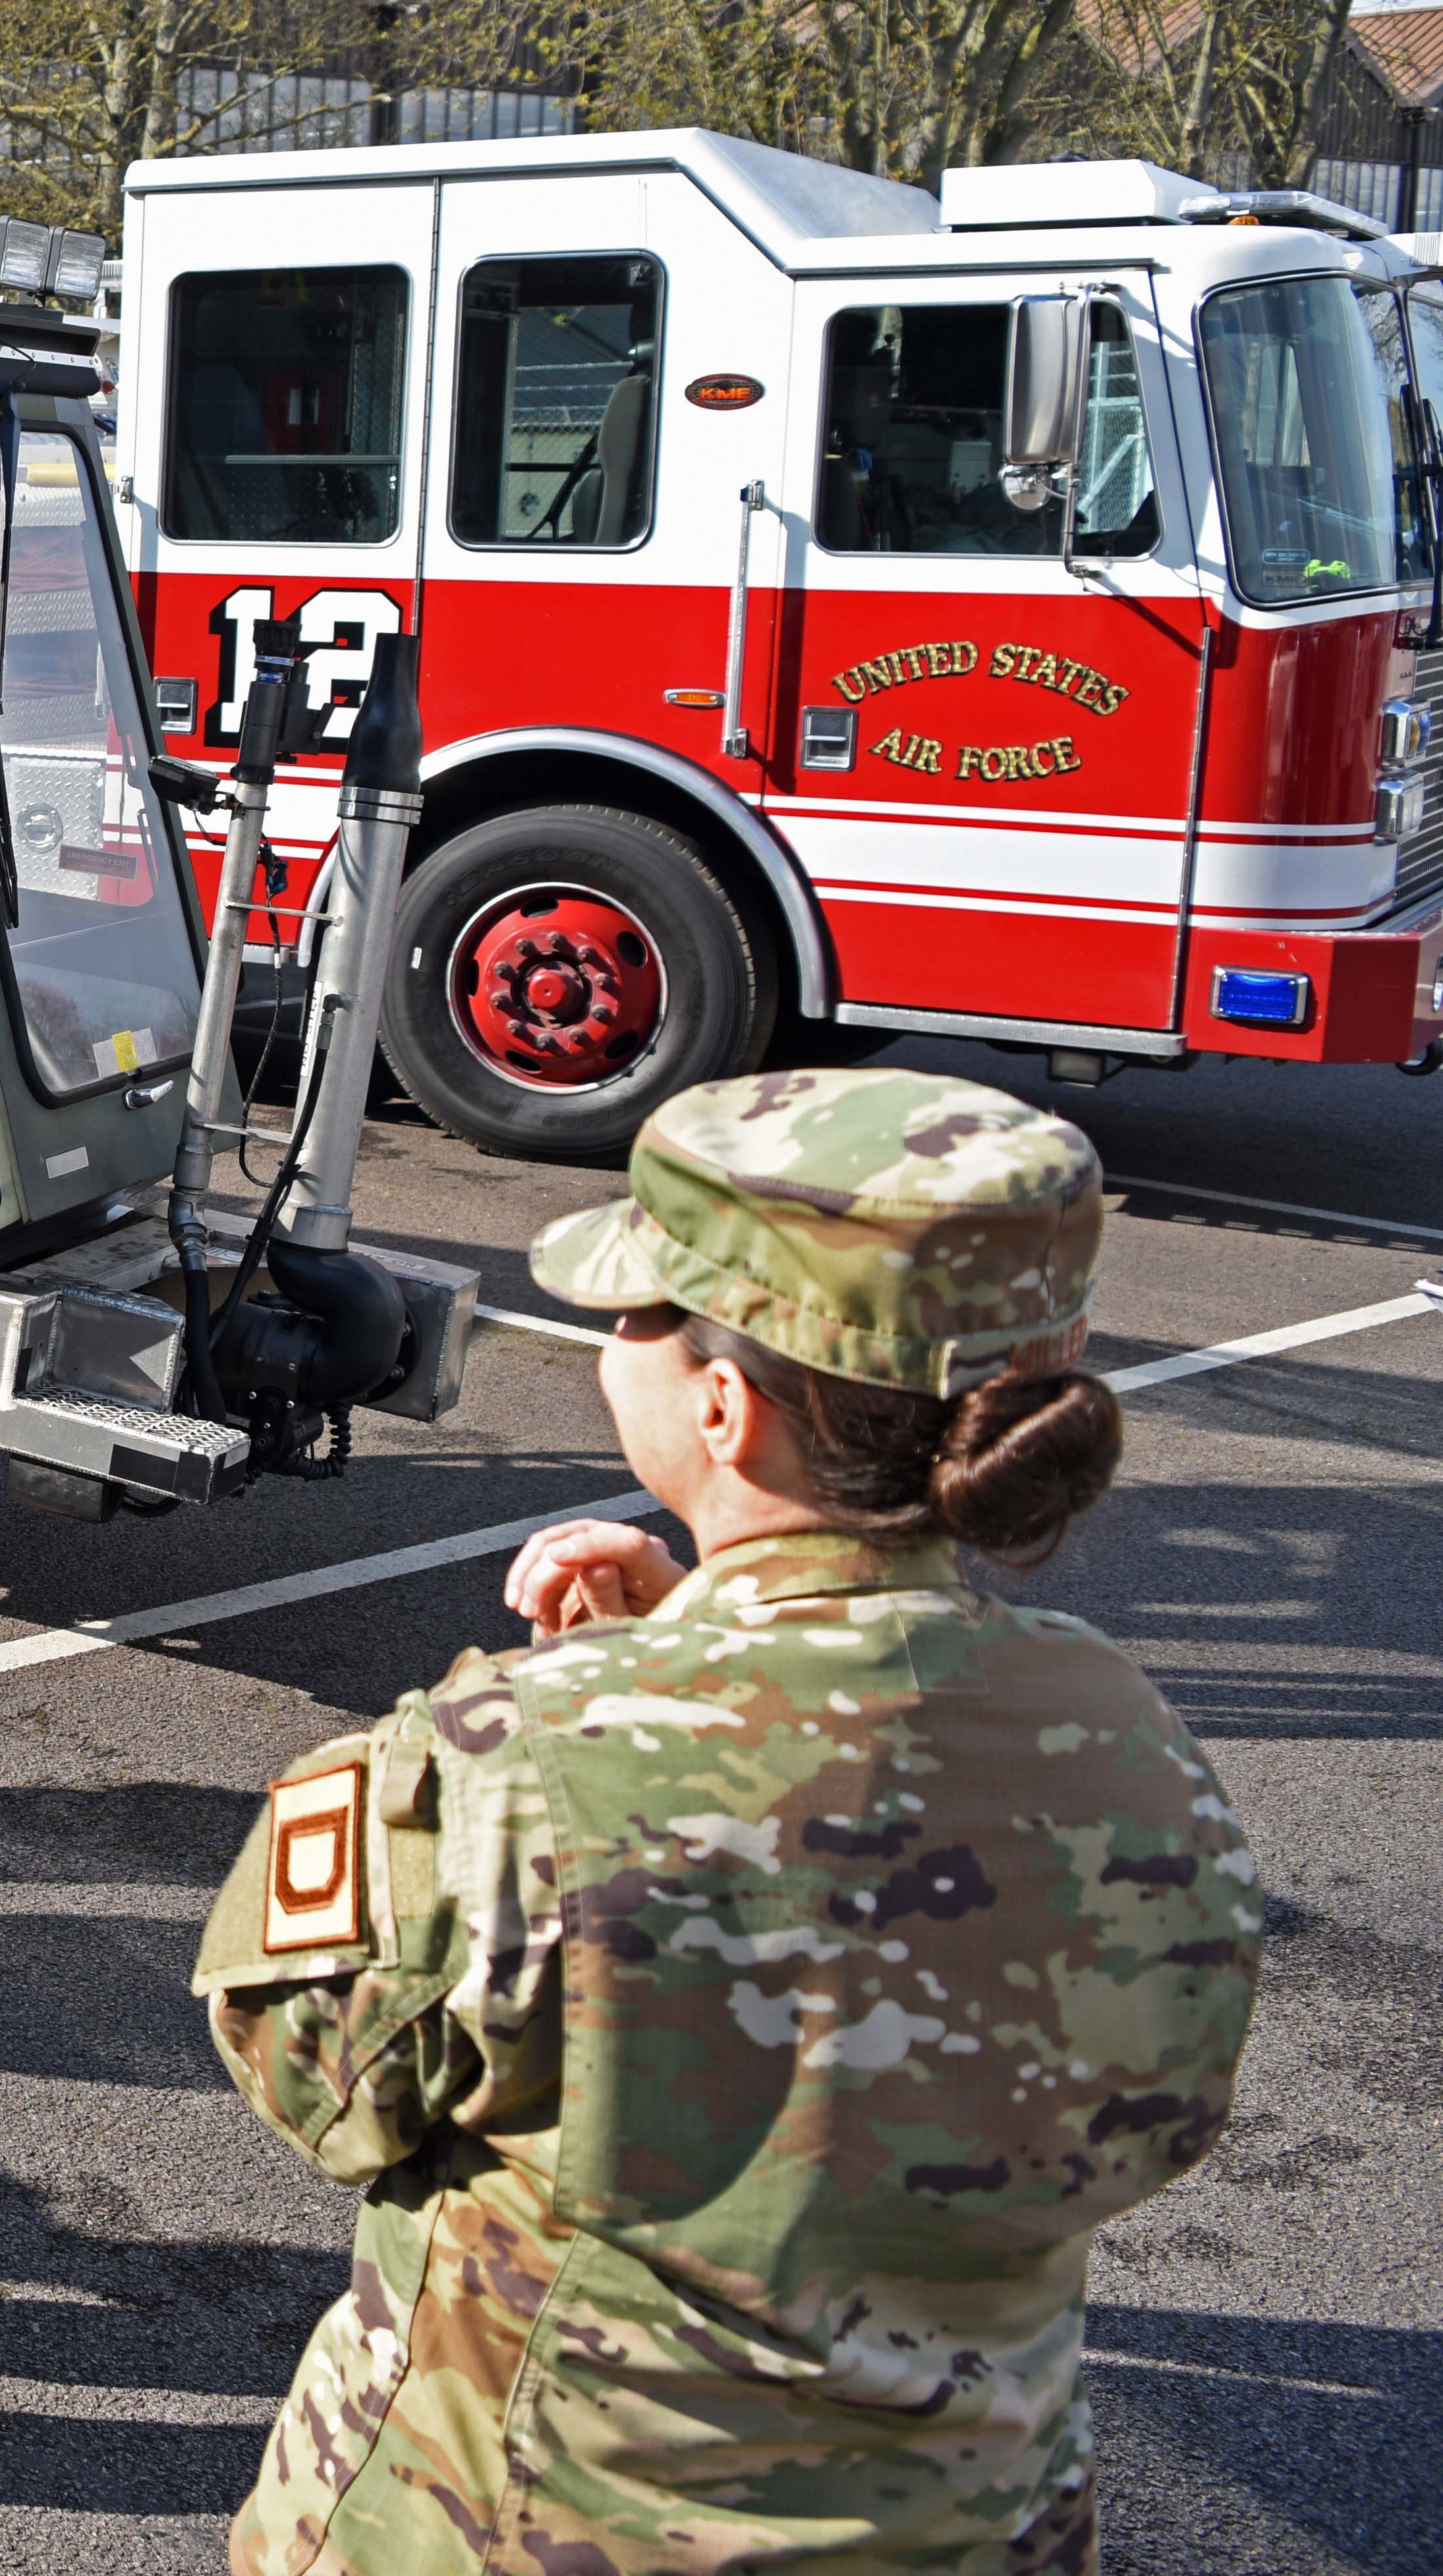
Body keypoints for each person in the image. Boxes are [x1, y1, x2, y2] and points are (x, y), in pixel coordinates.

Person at [194, 1067, 1261, 2575]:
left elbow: (314, 2077)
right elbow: (1149, 2118)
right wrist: (679, 1645)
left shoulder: (505, 1764)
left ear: (720, 1402)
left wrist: (598, 1698)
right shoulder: (1135, 1744)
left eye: (637, 1311)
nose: (610, 1338)